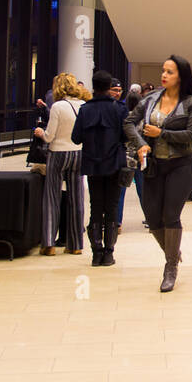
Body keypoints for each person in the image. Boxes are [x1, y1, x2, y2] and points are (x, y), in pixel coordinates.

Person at [127, 56, 192, 292]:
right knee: (152, 217)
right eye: (163, 71)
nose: (164, 75)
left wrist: (161, 132)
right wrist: (140, 142)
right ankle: (173, 251)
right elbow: (129, 122)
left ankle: (170, 267)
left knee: (171, 215)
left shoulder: (190, 102)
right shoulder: (150, 99)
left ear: (181, 76)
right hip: (153, 165)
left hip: (180, 164)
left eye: (170, 71)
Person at [70, 71, 127, 267]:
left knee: (96, 206)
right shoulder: (119, 109)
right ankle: (109, 252)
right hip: (114, 164)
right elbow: (127, 136)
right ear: (109, 86)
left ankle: (96, 253)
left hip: (92, 164)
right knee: (111, 207)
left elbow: (75, 138)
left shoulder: (85, 110)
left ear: (93, 87)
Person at [36, 73, 86, 256]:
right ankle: (76, 244)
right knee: (76, 198)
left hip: (58, 153)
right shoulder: (83, 106)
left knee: (52, 197)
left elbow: (49, 136)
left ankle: (48, 243)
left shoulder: (57, 106)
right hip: (78, 153)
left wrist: (40, 132)